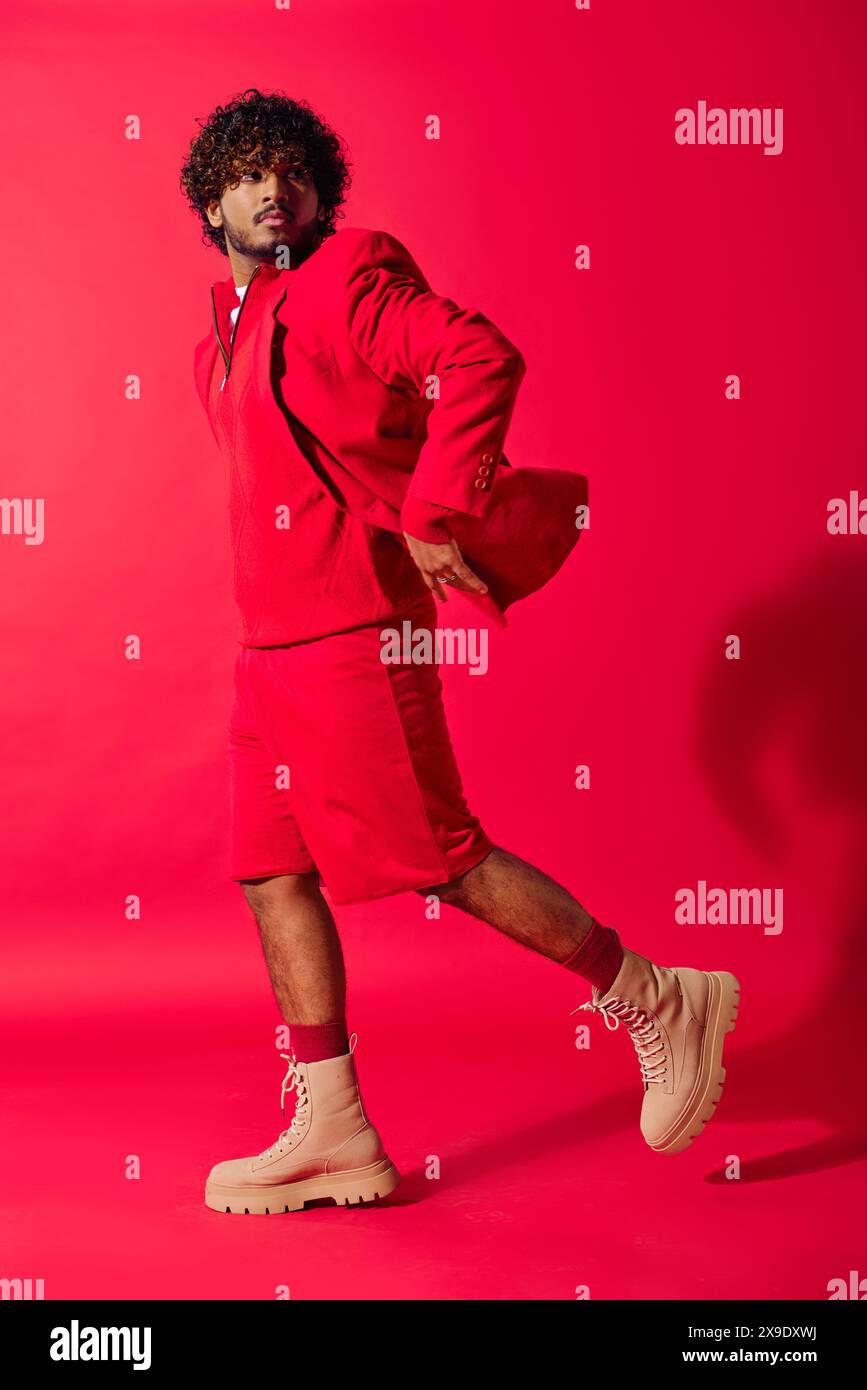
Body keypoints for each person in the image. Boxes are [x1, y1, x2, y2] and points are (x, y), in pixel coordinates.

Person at [180, 88, 740, 1216]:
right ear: (210, 203)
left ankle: (655, 997)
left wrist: (435, 516)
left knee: (441, 854)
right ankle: (333, 1123)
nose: (272, 188)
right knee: (270, 873)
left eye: (292, 170)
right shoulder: (219, 342)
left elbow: (475, 355)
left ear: (319, 193)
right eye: (247, 173)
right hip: (266, 652)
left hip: (349, 634)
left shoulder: (350, 279)